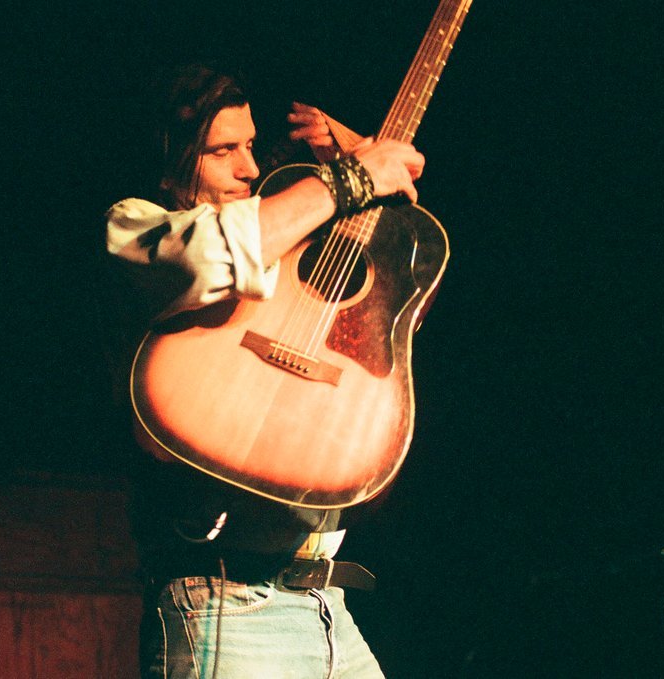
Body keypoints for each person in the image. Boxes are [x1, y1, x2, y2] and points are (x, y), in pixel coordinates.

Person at [101, 63, 425, 679]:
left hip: (329, 607)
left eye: (251, 145)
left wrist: (376, 166)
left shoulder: (280, 233)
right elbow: (210, 252)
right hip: (223, 605)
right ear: (171, 161)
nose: (249, 168)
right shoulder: (136, 230)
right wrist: (351, 178)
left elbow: (400, 260)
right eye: (223, 150)